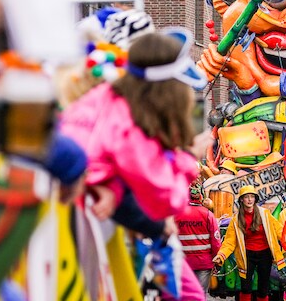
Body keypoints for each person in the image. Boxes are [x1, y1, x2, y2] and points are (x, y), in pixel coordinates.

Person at [59, 29, 207, 222]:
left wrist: (113, 188)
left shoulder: (102, 96)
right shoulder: (131, 129)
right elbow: (167, 201)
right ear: (170, 93)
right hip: (74, 222)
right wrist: (190, 156)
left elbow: (100, 161)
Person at [214, 185, 286, 301]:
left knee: (263, 290)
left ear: (255, 199)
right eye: (246, 197)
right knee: (245, 289)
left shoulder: (265, 214)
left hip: (265, 254)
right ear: (241, 200)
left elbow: (279, 231)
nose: (249, 200)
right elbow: (229, 242)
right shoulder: (236, 219)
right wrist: (221, 256)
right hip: (246, 255)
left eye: (252, 197)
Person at [178, 184, 221, 301]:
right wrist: (218, 260)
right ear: (201, 197)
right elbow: (216, 241)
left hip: (183, 264)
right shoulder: (208, 215)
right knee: (199, 296)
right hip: (203, 264)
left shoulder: (177, 214)